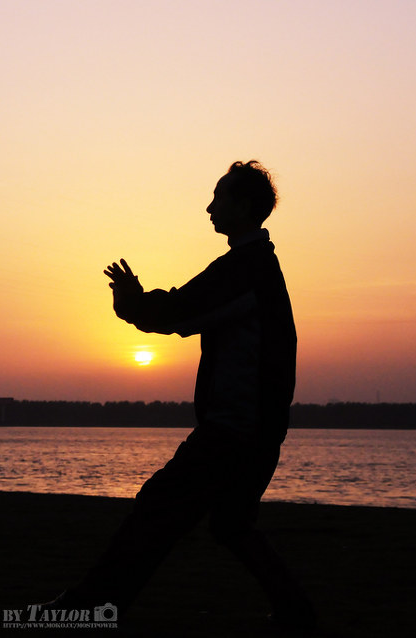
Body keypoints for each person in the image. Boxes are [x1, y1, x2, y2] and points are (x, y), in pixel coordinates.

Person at [42, 161, 315, 630]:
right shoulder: (254, 266)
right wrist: (140, 304)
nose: (209, 208)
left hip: (235, 429)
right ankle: (297, 615)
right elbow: (187, 308)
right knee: (231, 524)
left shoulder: (247, 268)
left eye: (219, 197)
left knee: (158, 507)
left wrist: (133, 303)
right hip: (255, 428)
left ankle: (92, 608)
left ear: (243, 206)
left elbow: (182, 311)